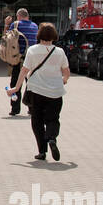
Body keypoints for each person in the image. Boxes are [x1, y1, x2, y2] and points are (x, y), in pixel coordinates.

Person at [5, 23, 70, 160]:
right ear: (53, 35)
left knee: (37, 121)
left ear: (39, 35)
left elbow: (24, 70)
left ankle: (42, 151)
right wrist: (63, 80)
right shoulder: (60, 52)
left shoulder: (33, 50)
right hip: (56, 92)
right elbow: (66, 72)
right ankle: (52, 138)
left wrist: (16, 88)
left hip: (37, 91)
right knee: (53, 119)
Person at [3, 9, 39, 117]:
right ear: (27, 16)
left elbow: (6, 38)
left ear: (18, 16)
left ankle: (15, 109)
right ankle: (32, 108)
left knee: (15, 83)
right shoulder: (35, 26)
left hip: (18, 60)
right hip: (32, 60)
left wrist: (6, 25)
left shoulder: (15, 24)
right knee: (31, 85)